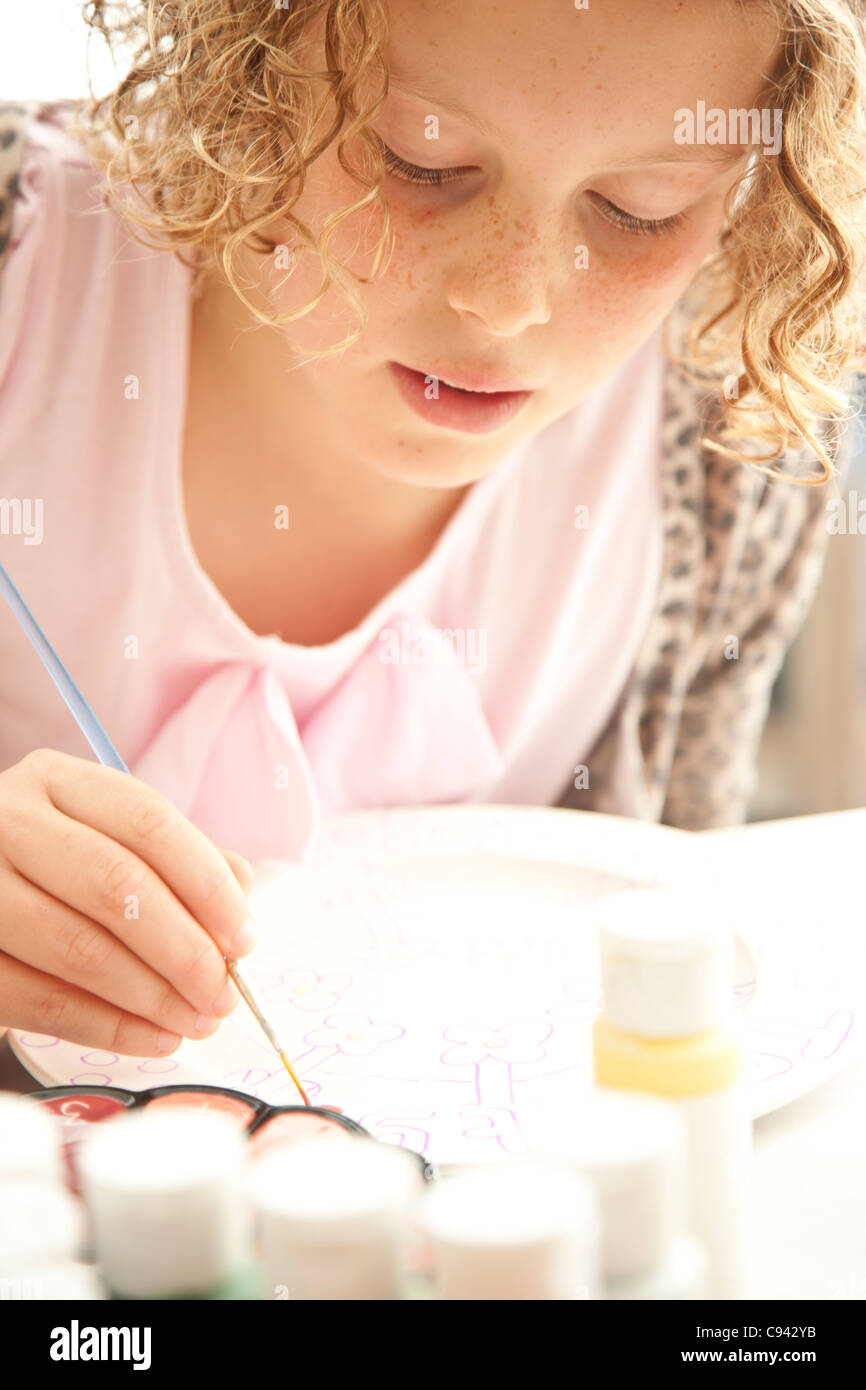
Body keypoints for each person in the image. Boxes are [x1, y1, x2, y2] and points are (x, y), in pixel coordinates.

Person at [0, 0, 863, 1055]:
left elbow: (671, 995)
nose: (508, 299)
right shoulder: (26, 275)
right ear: (244, 58)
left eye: (639, 209)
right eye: (419, 159)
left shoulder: (725, 453)